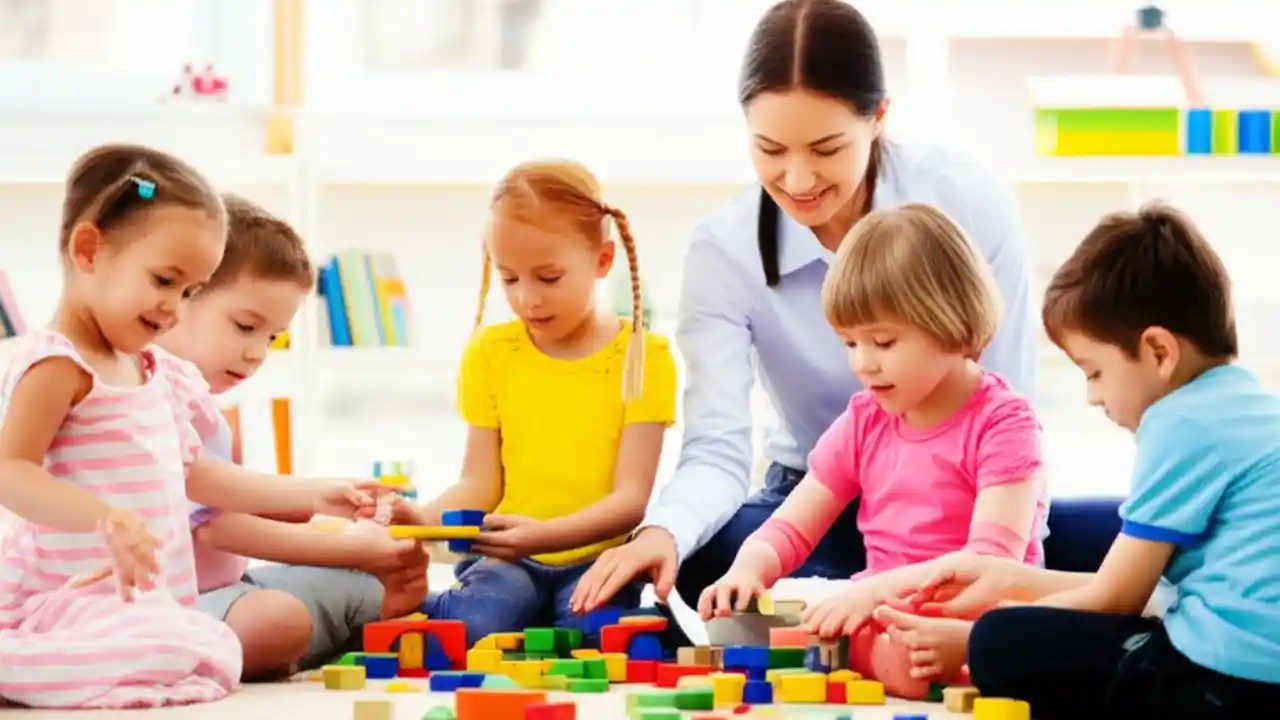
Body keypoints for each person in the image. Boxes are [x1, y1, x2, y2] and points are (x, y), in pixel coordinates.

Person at [571, 0, 1036, 617]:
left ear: (879, 118)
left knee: (1100, 553)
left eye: (825, 148)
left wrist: (1005, 571)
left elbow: (1006, 407)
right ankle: (857, 594)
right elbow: (718, 447)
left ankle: (866, 596)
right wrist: (664, 532)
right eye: (769, 150)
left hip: (964, 499)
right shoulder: (724, 251)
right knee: (705, 561)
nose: (797, 179)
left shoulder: (967, 200)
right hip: (812, 494)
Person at [0, 144, 382, 709]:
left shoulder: (156, 371)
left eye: (189, 291)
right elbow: (11, 470)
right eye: (163, 280)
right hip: (68, 596)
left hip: (147, 600)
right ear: (88, 250)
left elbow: (197, 475)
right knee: (172, 647)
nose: (174, 308)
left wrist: (316, 494)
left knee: (209, 647)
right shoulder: (60, 365)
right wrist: (104, 517)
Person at [891, 203, 1280, 718]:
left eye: (1093, 372)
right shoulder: (1247, 405)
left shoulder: (1180, 422)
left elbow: (1118, 596)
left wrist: (971, 637)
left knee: (1001, 640)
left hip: (1224, 682)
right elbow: (1150, 594)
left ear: (1159, 352)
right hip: (1250, 669)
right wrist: (1008, 580)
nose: (1093, 398)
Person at [698, 203, 1043, 698]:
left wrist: (871, 595)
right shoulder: (866, 418)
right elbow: (794, 525)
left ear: (952, 325)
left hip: (966, 615)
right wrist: (749, 566)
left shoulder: (1004, 422)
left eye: (882, 341)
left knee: (909, 659)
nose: (863, 364)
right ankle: (837, 648)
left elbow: (988, 563)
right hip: (872, 606)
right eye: (849, 343)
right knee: (737, 630)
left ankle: (840, 651)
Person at [390, 160, 677, 645]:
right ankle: (422, 610)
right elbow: (480, 482)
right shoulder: (492, 351)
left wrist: (545, 536)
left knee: (594, 643)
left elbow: (630, 500)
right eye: (510, 278)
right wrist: (420, 521)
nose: (527, 300)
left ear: (603, 260)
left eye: (548, 278)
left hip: (596, 559)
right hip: (509, 559)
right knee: (471, 628)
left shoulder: (645, 357)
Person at [157, 193, 428, 681]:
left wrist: (322, 507)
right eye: (245, 327)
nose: (258, 353)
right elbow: (217, 528)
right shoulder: (152, 394)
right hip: (177, 606)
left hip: (226, 586)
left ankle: (352, 623)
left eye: (274, 338)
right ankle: (182, 657)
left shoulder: (194, 397)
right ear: (182, 294)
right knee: (279, 621)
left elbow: (228, 501)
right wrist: (350, 547)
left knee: (364, 590)